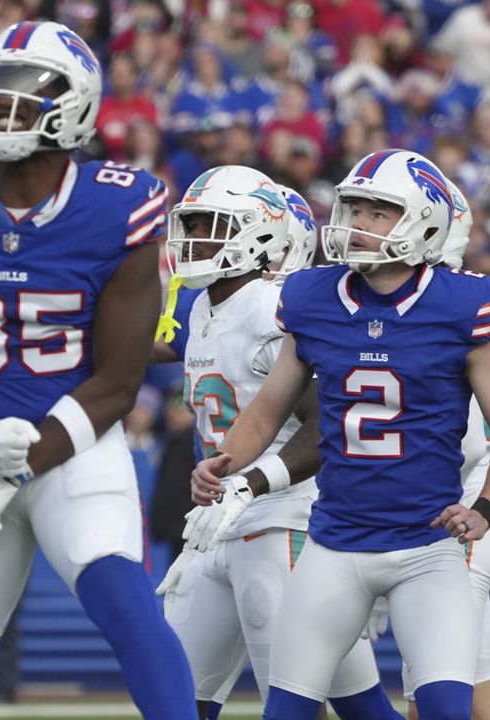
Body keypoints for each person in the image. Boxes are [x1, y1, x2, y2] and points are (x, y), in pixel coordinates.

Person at [0, 20, 196, 718]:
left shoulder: (118, 204)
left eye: (27, 88)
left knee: (125, 601)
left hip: (77, 448)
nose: (3, 101)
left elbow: (118, 381)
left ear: (77, 105)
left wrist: (23, 462)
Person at [188, 149, 490, 720]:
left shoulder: (462, 305)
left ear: (421, 223)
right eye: (353, 207)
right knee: (287, 713)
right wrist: (225, 464)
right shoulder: (311, 297)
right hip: (334, 544)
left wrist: (486, 508)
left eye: (378, 212)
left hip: (427, 547)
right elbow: (269, 408)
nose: (356, 223)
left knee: (450, 711)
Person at [152, 171, 399, 720]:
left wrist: (250, 483)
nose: (193, 238)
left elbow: (327, 424)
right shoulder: (200, 306)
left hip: (285, 522)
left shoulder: (276, 305)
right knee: (175, 700)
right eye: (189, 224)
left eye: (209, 226)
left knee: (298, 704)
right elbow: (140, 347)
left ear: (266, 236)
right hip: (216, 523)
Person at [380, 181, 490, 720]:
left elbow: (465, 447)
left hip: (460, 513)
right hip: (434, 514)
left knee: (433, 686)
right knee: (475, 690)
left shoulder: (452, 312)